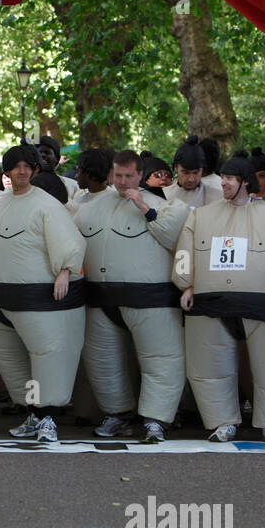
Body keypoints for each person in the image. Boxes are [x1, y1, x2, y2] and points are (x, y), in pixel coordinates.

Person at [172, 154, 265, 443]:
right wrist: (186, 284)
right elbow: (183, 250)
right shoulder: (201, 216)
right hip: (212, 302)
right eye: (223, 177)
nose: (223, 182)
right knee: (210, 365)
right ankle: (222, 421)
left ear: (244, 182)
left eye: (229, 178)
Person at [0, 145, 86, 442]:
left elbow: (69, 242)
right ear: (6, 172)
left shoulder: (48, 206)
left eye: (27, 166)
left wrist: (65, 270)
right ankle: (34, 413)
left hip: (41, 299)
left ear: (34, 170)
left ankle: (48, 417)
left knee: (48, 357)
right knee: (14, 364)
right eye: (16, 167)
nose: (21, 171)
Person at [76, 150, 190, 443]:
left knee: (161, 359)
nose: (123, 181)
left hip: (151, 299)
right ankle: (118, 414)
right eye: (118, 175)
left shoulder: (168, 207)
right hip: (101, 298)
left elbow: (173, 237)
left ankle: (156, 419)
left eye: (129, 176)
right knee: (102, 360)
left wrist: (142, 205)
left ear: (140, 175)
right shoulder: (88, 207)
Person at [165, 136, 223, 209]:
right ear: (176, 167)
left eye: (196, 173)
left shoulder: (218, 197)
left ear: (202, 170)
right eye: (186, 172)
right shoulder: (163, 195)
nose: (191, 179)